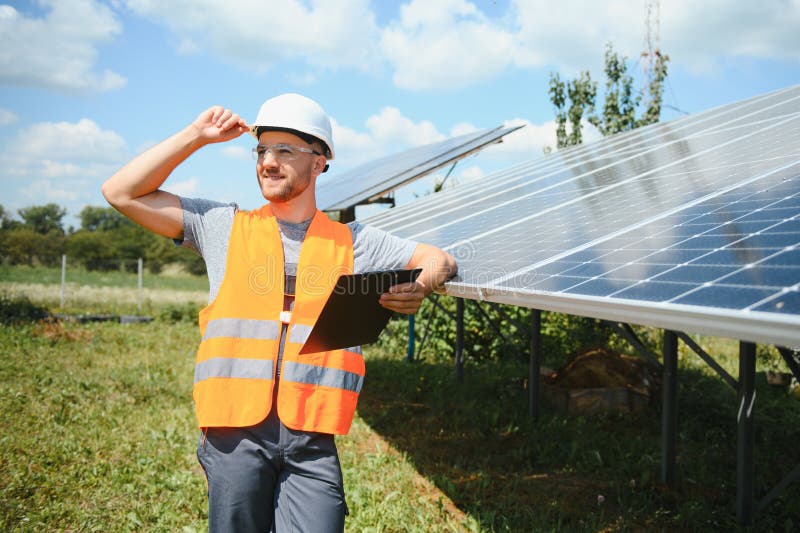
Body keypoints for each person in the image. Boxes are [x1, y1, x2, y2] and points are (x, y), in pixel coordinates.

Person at [101, 93, 457, 532]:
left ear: (320, 161)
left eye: (285, 150)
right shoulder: (222, 226)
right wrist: (196, 136)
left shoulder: (353, 241)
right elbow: (119, 192)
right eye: (262, 150)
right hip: (233, 434)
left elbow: (441, 259)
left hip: (311, 436)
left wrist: (421, 284)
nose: (268, 161)